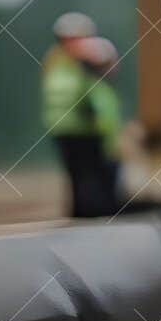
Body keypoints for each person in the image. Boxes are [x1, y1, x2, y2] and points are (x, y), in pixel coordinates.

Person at [40, 12, 114, 217]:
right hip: (80, 128)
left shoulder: (53, 61)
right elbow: (102, 83)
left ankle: (82, 213)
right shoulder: (77, 60)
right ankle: (87, 214)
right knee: (86, 175)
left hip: (65, 127)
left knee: (80, 176)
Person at [74, 36, 123, 216]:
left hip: (103, 147)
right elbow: (105, 122)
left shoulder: (94, 88)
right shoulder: (96, 90)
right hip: (102, 148)